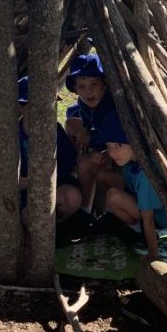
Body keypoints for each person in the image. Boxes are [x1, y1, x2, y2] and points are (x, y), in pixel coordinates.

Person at [97, 114, 167, 261]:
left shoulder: (146, 176)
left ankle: (138, 232)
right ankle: (127, 222)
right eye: (109, 146)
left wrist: (153, 254)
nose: (112, 153)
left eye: (118, 145)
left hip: (159, 219)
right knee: (103, 175)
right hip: (139, 199)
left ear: (135, 143)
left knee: (114, 196)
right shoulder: (131, 160)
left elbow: (149, 218)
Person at [64, 53, 125, 214]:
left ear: (104, 84)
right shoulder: (83, 105)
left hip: (122, 156)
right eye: (81, 86)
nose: (88, 91)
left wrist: (92, 141)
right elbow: (89, 126)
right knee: (84, 163)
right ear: (75, 89)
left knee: (90, 165)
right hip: (104, 150)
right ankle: (85, 212)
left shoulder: (112, 104)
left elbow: (112, 133)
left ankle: (108, 212)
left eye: (94, 84)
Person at [16, 77, 82, 223]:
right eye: (32, 107)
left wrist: (49, 175)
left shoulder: (55, 129)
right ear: (21, 107)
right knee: (28, 216)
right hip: (24, 193)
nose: (40, 113)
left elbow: (70, 157)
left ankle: (56, 229)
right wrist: (15, 179)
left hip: (54, 185)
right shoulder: (13, 135)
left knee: (72, 197)